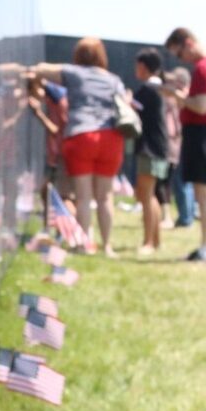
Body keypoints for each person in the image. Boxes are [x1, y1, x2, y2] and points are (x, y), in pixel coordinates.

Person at [29, 37, 127, 257]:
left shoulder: (73, 73)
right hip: (111, 137)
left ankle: (83, 244)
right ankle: (108, 246)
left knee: (82, 197)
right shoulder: (113, 80)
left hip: (81, 136)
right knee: (105, 197)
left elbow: (41, 70)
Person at [164, 28, 206, 262]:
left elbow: (202, 106)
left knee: (204, 193)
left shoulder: (204, 68)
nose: (181, 60)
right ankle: (205, 246)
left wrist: (175, 95)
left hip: (203, 134)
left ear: (189, 44)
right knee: (203, 192)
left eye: (180, 54)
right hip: (204, 134)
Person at [132, 48, 169, 255]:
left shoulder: (149, 89)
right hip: (158, 149)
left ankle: (148, 242)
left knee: (146, 196)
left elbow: (133, 108)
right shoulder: (157, 88)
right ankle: (154, 240)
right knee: (151, 195)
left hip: (150, 149)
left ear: (143, 67)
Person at [26, 76, 72, 227]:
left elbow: (56, 130)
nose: (33, 97)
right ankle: (49, 228)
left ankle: (68, 229)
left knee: (64, 196)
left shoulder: (60, 102)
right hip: (56, 155)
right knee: (46, 192)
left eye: (32, 92)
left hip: (62, 155)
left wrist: (38, 113)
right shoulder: (52, 100)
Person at [164, 67, 196, 228]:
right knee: (187, 182)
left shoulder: (182, 97)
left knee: (181, 181)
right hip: (188, 141)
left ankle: (185, 218)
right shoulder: (190, 96)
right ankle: (188, 215)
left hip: (181, 142)